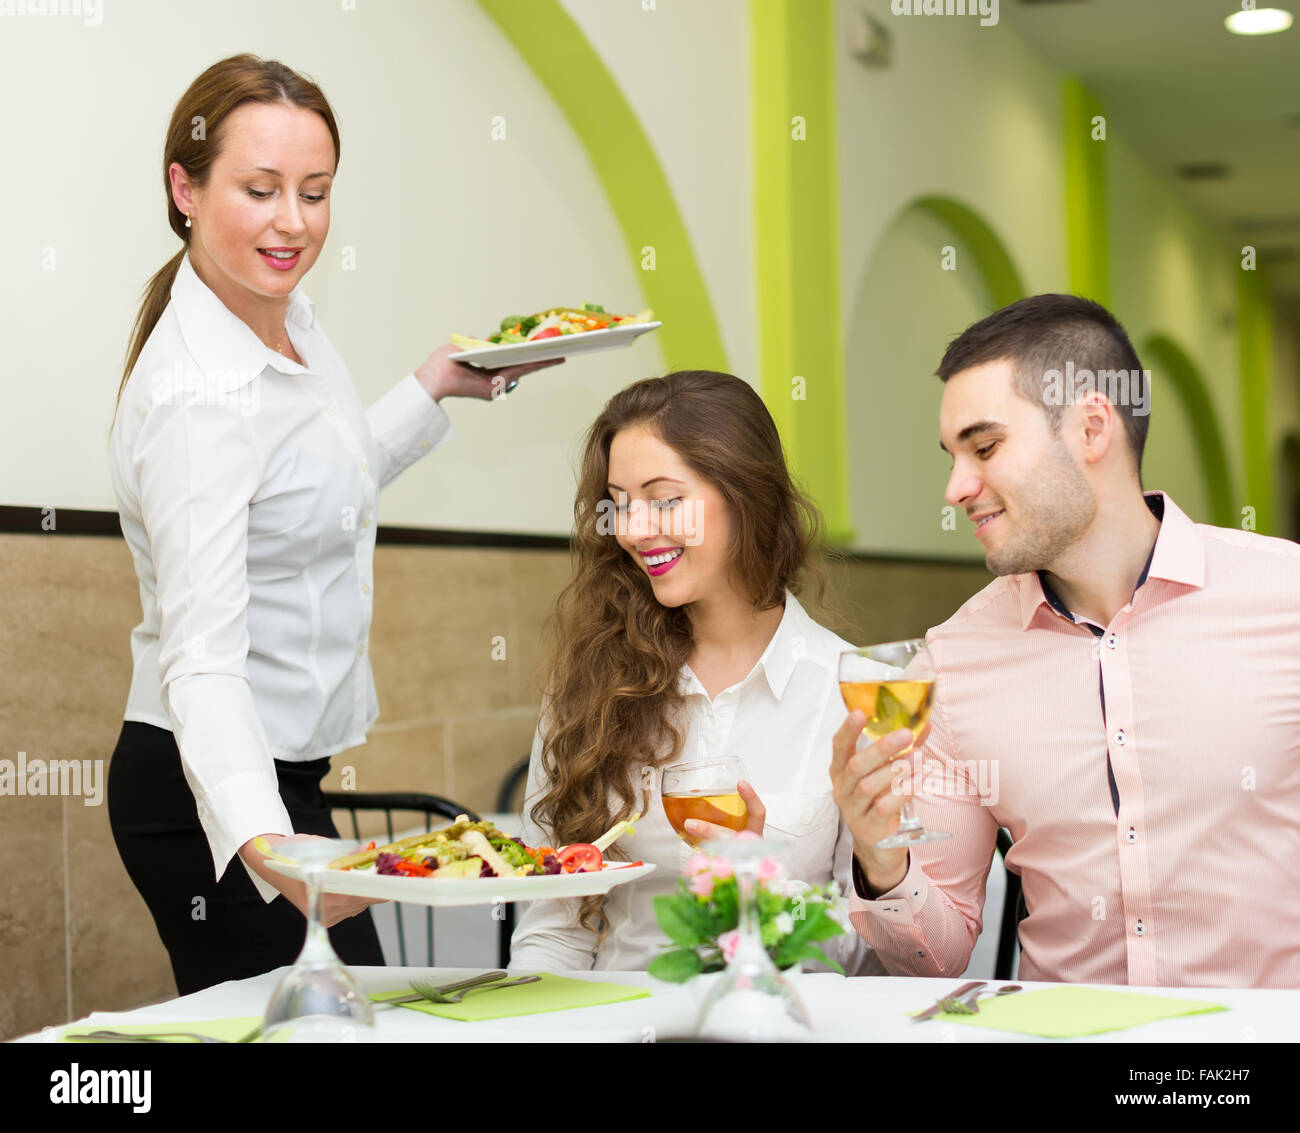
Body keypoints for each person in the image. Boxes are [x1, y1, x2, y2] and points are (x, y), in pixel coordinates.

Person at [106, 54, 558, 995]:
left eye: (314, 193)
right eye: (260, 189)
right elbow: (200, 656)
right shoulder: (199, 396)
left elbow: (323, 482)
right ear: (183, 188)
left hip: (275, 778)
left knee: (361, 1019)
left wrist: (434, 384)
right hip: (209, 793)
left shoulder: (288, 321)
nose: (294, 222)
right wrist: (263, 838)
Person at [831, 293, 1300, 987]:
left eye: (985, 447)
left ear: (1090, 428)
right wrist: (882, 862)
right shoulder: (954, 660)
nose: (956, 486)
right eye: (953, 455)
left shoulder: (1285, 599)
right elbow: (937, 956)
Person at [508, 370, 885, 976]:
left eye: (664, 500)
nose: (632, 529)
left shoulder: (849, 690)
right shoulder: (588, 685)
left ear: (745, 496)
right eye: (621, 504)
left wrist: (759, 889)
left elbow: (867, 960)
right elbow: (553, 929)